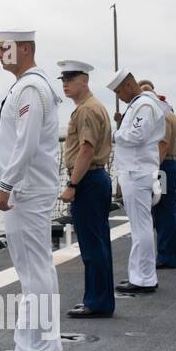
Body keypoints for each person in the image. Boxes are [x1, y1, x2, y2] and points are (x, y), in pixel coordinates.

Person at [0, 31, 62, 351]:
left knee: (33, 271)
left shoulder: (30, 88)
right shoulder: (31, 85)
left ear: (26, 48)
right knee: (40, 268)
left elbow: (27, 142)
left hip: (26, 191)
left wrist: (6, 184)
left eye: (5, 48)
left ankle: (35, 350)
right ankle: (47, 343)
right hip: (32, 188)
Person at [57, 60, 115, 317]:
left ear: (84, 80)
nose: (66, 84)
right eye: (63, 80)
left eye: (71, 79)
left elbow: (87, 149)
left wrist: (72, 184)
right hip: (94, 178)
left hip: (88, 180)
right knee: (97, 243)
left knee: (93, 246)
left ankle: (97, 302)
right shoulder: (92, 106)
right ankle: (97, 299)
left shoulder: (86, 110)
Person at [107, 68, 165, 294]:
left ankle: (144, 278)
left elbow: (136, 135)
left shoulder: (144, 106)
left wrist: (114, 134)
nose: (120, 97)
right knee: (140, 227)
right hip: (136, 171)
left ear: (130, 85)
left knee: (141, 228)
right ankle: (140, 275)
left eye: (120, 91)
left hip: (137, 172)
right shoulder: (141, 104)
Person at [153, 92, 176, 268]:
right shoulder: (171, 115)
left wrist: (153, 171)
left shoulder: (163, 117)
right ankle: (175, 255)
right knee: (170, 212)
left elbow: (162, 146)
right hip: (169, 165)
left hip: (163, 167)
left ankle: (166, 256)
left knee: (164, 214)